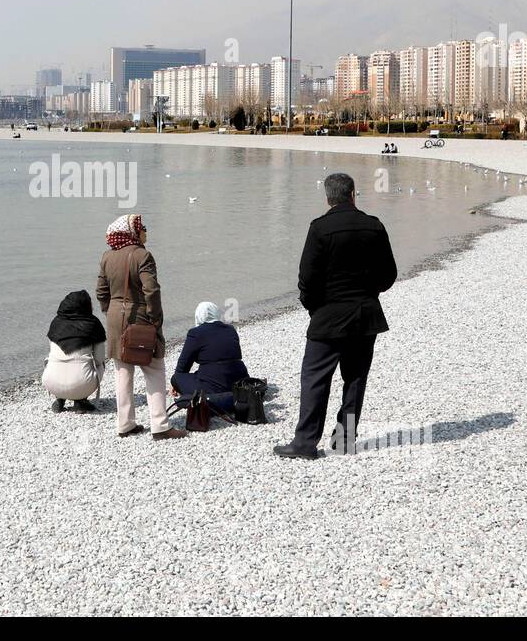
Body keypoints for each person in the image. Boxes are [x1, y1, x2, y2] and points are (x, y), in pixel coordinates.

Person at [274, 173, 397, 460]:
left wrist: (314, 308)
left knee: (315, 378)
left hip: (328, 315)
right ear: (354, 194)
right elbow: (388, 274)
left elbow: (306, 278)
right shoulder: (374, 226)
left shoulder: (319, 228)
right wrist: (369, 292)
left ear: (328, 198)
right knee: (355, 379)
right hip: (365, 314)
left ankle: (305, 443)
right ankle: (345, 440)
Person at [96, 214, 186, 441]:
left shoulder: (107, 257)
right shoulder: (143, 255)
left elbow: (101, 292)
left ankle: (125, 424)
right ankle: (160, 425)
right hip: (140, 316)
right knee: (154, 368)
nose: (146, 231)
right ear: (133, 232)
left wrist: (111, 310)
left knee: (122, 371)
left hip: (115, 318)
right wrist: (155, 318)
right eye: (143, 228)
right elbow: (151, 290)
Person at [170, 302, 249, 415]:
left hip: (214, 385)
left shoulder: (196, 333)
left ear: (198, 316)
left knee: (176, 378)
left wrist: (175, 383)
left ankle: (211, 400)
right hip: (238, 380)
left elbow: (184, 363)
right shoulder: (230, 329)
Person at [42, 290, 107, 412]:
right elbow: (99, 359)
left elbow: (50, 351)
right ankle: (80, 400)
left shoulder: (56, 322)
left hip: (51, 383)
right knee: (101, 364)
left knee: (55, 360)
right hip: (82, 384)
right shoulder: (93, 323)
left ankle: (60, 397)